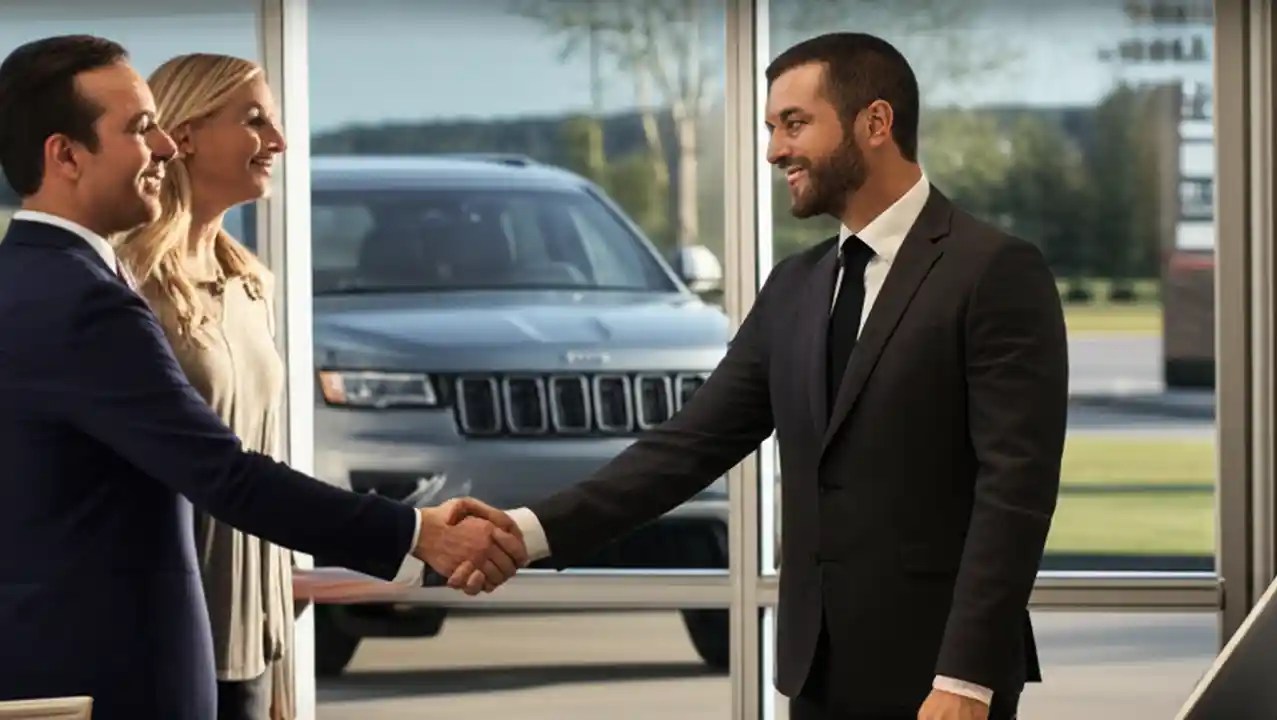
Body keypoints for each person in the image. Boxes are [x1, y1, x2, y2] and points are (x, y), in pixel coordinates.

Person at [453, 32, 1068, 720]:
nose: (776, 150)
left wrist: (968, 679)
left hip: (942, 683)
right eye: (772, 128)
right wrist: (527, 531)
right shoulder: (795, 286)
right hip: (815, 672)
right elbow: (686, 446)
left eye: (795, 124)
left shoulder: (993, 271)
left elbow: (1015, 492)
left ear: (876, 123)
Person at [0, 35, 528, 720]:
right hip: (114, 679)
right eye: (139, 129)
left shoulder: (30, 277)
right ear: (64, 155)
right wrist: (418, 532)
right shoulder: (87, 299)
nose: (163, 148)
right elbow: (228, 476)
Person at [114, 53, 292, 720]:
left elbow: (264, 460)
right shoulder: (127, 283)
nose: (277, 142)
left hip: (254, 632)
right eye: (255, 121)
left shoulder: (252, 282)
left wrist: (281, 656)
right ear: (182, 135)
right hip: (163, 632)